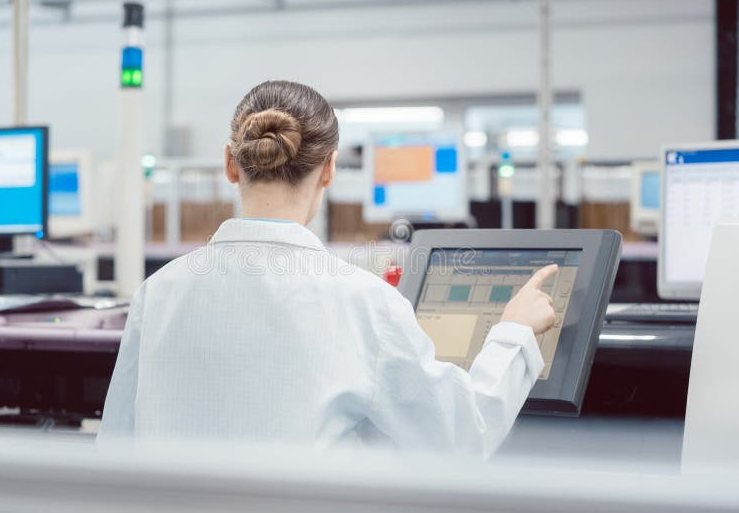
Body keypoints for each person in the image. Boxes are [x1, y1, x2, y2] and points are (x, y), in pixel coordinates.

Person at [99, 80, 557, 457]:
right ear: (329, 169)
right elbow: (463, 438)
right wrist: (512, 334)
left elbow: (114, 452)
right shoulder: (363, 302)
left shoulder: (157, 293)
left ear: (230, 165)